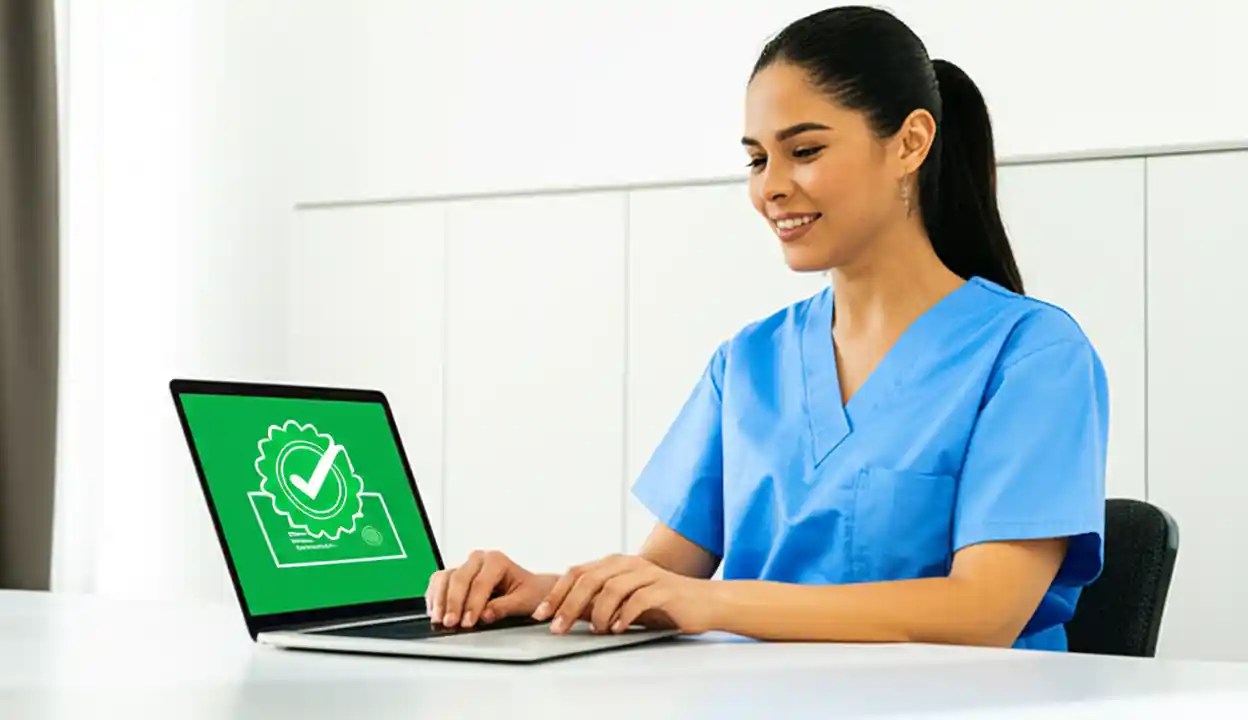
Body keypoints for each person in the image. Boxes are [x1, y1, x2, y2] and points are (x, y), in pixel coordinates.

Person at [425, 5, 1107, 651]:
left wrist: (717, 604)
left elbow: (983, 612)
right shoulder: (749, 362)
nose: (770, 188)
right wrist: (539, 593)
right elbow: (664, 579)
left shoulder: (1030, 356)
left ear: (910, 143)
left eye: (803, 150)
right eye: (757, 160)